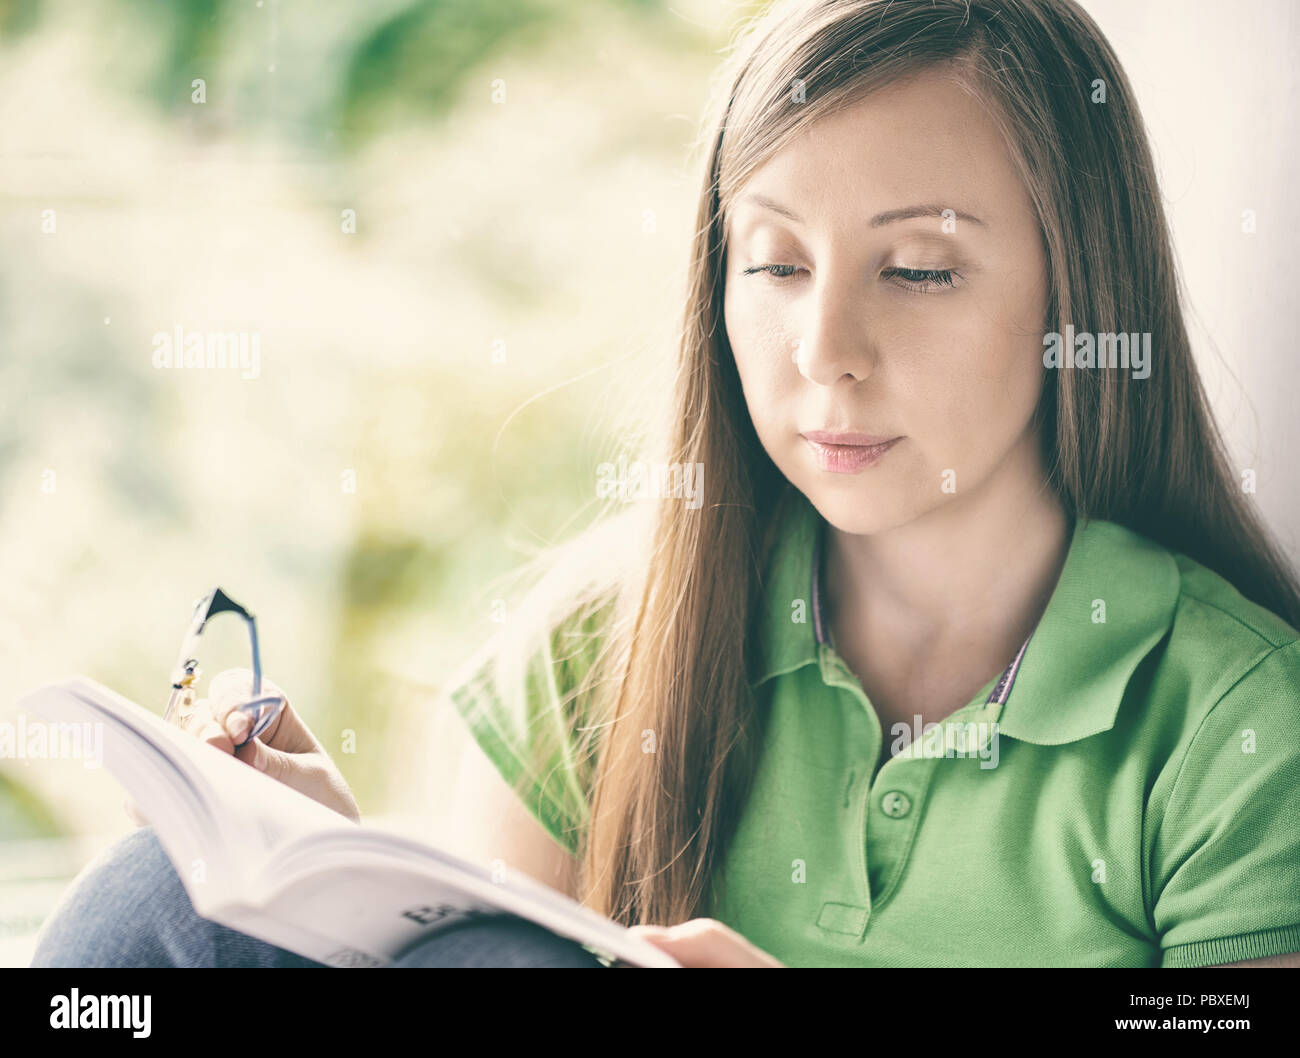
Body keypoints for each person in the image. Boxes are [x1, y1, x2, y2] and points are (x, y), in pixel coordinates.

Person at [32, 0, 1300, 969]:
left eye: (917, 269)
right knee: (163, 896)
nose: (825, 353)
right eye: (775, 263)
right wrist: (322, 875)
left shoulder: (1231, 729)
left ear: (1078, 291)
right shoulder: (607, 643)